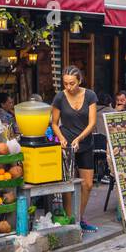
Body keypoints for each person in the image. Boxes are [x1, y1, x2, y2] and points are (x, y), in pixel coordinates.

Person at [51, 66, 99, 232]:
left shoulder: (90, 95)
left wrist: (79, 138)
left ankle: (79, 218)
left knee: (88, 184)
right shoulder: (59, 97)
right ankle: (70, 220)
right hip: (66, 146)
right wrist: (62, 139)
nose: (69, 87)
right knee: (68, 184)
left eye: (72, 83)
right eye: (65, 84)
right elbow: (54, 123)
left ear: (80, 81)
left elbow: (92, 123)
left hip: (85, 143)